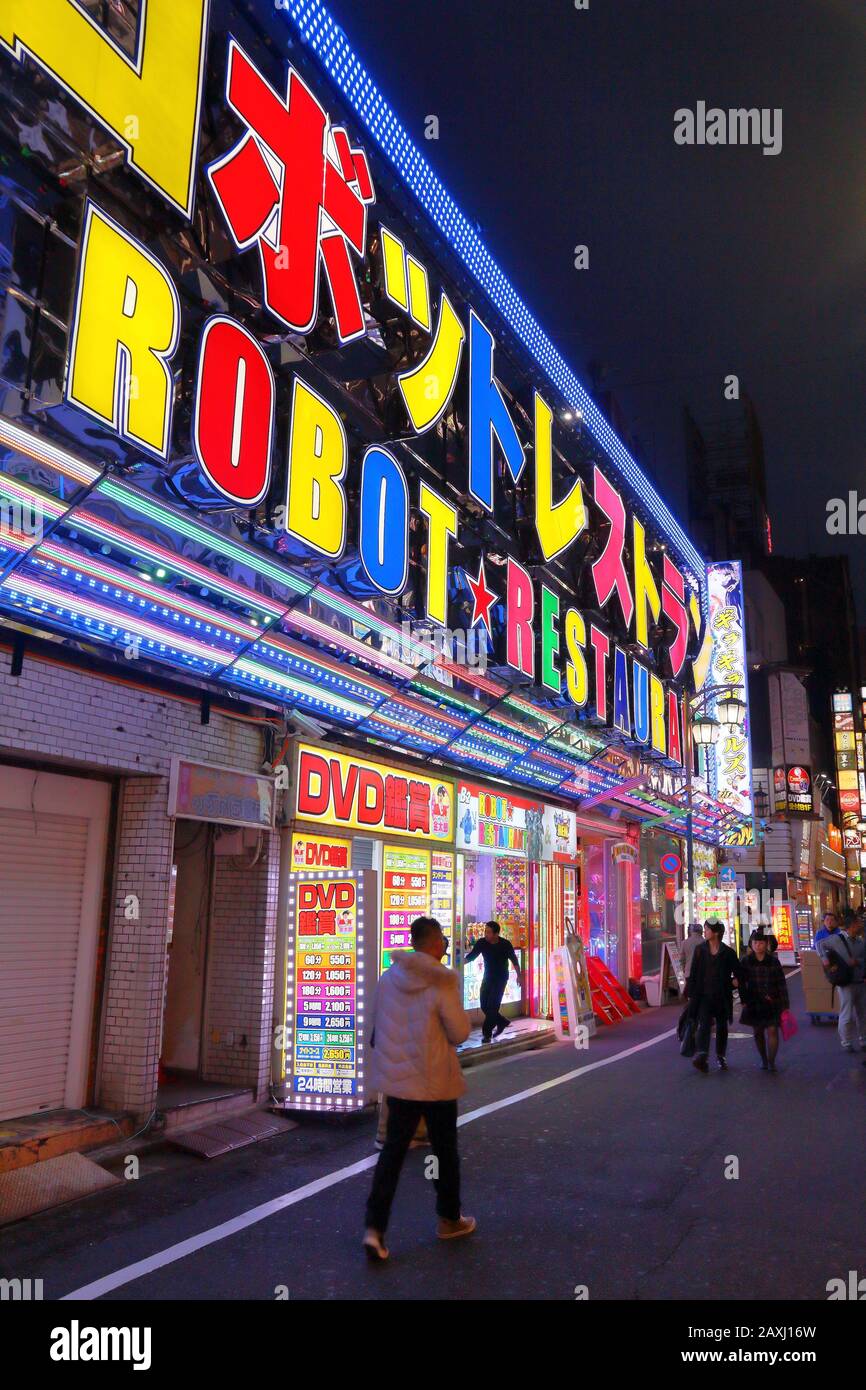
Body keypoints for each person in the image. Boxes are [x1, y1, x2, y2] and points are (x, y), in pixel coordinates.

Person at [363, 916, 474, 1261]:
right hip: (436, 1082)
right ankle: (449, 1220)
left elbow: (373, 1028)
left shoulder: (387, 979)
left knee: (393, 1153)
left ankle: (374, 1230)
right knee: (443, 1153)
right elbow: (458, 1033)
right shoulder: (441, 983)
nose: (444, 943)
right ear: (433, 942)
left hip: (400, 1083)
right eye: (441, 938)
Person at [685, 919, 744, 1072]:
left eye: (707, 929)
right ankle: (702, 1055)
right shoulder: (700, 950)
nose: (704, 932)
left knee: (722, 1026)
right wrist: (691, 995)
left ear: (716, 932)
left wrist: (733, 983)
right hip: (704, 995)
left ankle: (720, 1055)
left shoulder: (728, 952)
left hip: (722, 996)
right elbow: (694, 973)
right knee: (704, 1024)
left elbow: (739, 973)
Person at [739, 928, 790, 1072]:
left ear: (766, 944)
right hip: (754, 1002)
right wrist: (743, 999)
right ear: (751, 944)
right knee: (758, 1031)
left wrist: (785, 1004)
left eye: (760, 943)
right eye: (755, 943)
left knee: (773, 1030)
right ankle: (763, 1059)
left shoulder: (773, 962)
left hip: (772, 1001)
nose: (757, 946)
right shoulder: (746, 961)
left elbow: (781, 983)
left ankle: (771, 1060)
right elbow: (742, 982)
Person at [464, 920, 522, 1042]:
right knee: (484, 1005)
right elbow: (472, 956)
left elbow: (514, 960)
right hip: (487, 978)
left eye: (488, 932)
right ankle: (502, 1021)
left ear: (496, 934)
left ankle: (487, 1034)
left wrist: (519, 975)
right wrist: (458, 963)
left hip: (501, 979)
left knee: (492, 1006)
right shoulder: (482, 943)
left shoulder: (505, 944)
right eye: (485, 931)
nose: (486, 934)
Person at [823, 910, 866, 1053]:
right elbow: (819, 946)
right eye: (858, 923)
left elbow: (864, 959)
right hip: (845, 983)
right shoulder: (837, 939)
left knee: (862, 1013)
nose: (861, 925)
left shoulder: (860, 942)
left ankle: (863, 1039)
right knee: (846, 1014)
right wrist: (827, 964)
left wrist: (857, 962)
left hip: (860, 981)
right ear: (851, 926)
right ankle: (846, 1041)